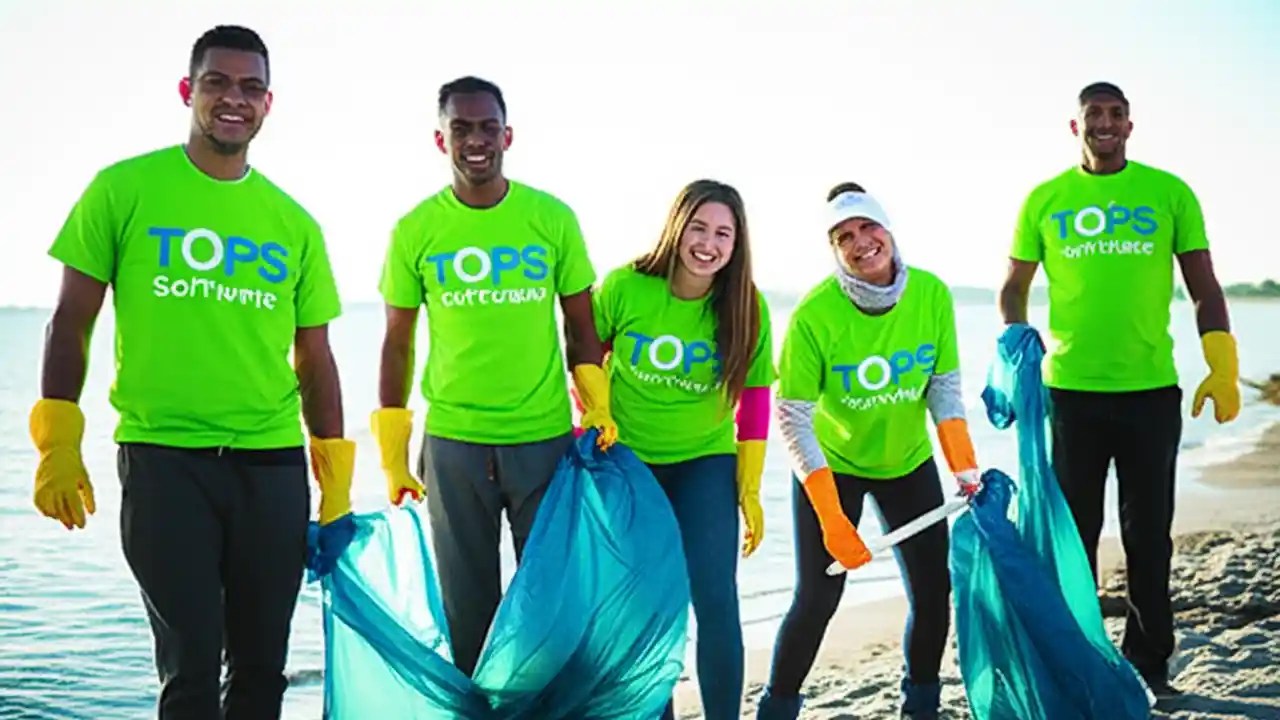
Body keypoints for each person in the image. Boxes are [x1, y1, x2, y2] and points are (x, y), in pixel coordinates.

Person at [29, 25, 355, 719]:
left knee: (263, 667)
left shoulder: (293, 223)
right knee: (191, 667)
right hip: (162, 462)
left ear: (269, 104)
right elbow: (70, 321)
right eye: (217, 83)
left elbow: (315, 355)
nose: (233, 99)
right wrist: (57, 440)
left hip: (271, 466)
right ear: (188, 91)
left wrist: (336, 480)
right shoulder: (124, 189)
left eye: (250, 87)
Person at [998, 81, 1240, 699]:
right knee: (1073, 537)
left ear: (1131, 125)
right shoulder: (1044, 200)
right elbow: (1012, 288)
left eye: (1116, 114)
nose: (1105, 123)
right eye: (1093, 115)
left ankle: (1151, 662)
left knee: (1148, 533)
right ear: (1075, 128)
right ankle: (1079, 658)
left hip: (1150, 393)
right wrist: (1014, 348)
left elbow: (1205, 288)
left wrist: (1222, 362)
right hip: (1072, 395)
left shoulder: (1169, 192)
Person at [372, 75, 617, 678]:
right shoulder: (415, 230)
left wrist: (597, 410)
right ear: (441, 139)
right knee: (469, 613)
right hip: (454, 444)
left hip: (544, 439)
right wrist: (393, 453)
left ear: (507, 135)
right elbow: (397, 344)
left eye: (487, 128)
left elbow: (580, 329)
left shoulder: (551, 218)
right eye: (462, 128)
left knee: (548, 606)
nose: (475, 140)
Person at [756, 183, 981, 720]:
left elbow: (943, 389)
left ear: (889, 229)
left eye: (868, 227)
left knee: (933, 594)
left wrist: (965, 468)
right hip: (834, 467)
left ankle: (921, 705)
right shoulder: (814, 315)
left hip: (907, 461)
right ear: (834, 250)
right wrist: (832, 517)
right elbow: (791, 416)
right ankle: (777, 709)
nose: (861, 242)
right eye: (844, 237)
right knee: (817, 599)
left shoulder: (930, 294)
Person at [586, 179, 774, 719]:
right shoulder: (626, 286)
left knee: (715, 601)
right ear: (677, 226)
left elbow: (756, 403)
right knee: (644, 607)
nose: (708, 244)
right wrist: (592, 419)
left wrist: (750, 486)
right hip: (630, 463)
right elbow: (584, 360)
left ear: (737, 244)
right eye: (698, 227)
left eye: (723, 233)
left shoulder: (744, 305)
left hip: (705, 463)